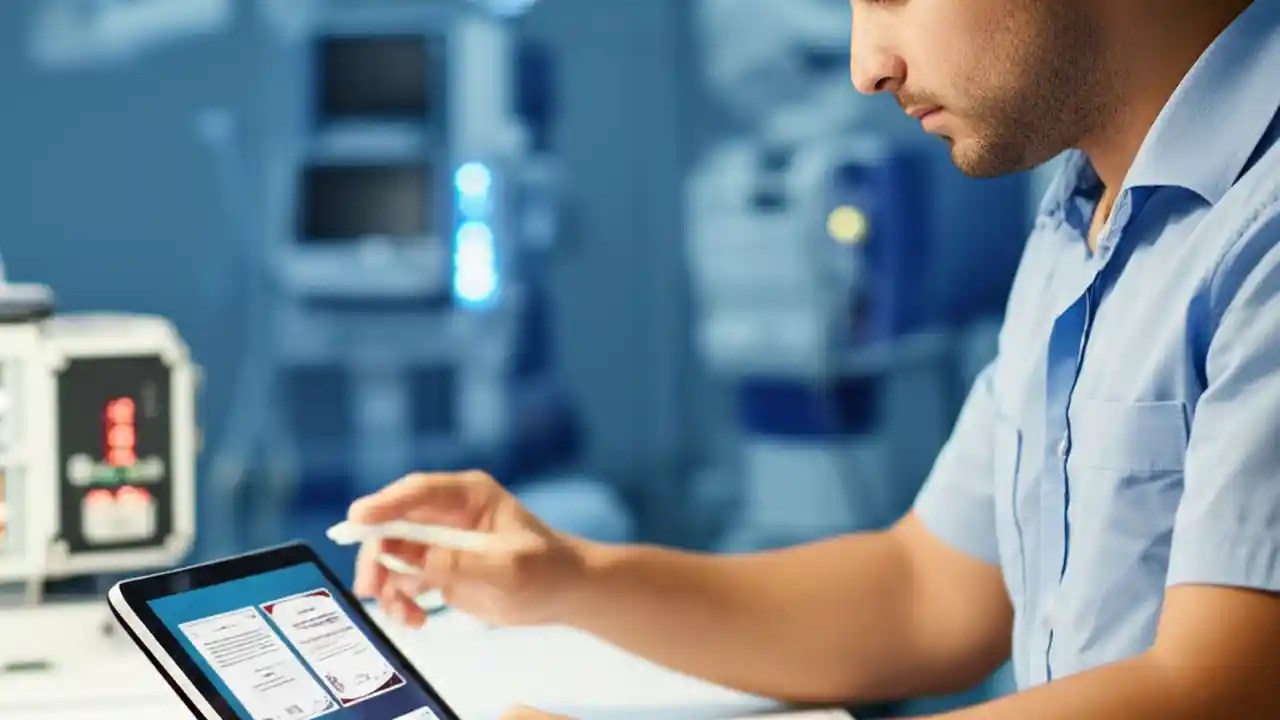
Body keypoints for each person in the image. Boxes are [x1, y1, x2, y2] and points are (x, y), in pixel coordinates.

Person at [349, 1, 1280, 717]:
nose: (867, 66)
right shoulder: (1085, 210)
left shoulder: (1261, 227)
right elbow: (927, 592)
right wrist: (567, 579)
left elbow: (1218, 689)